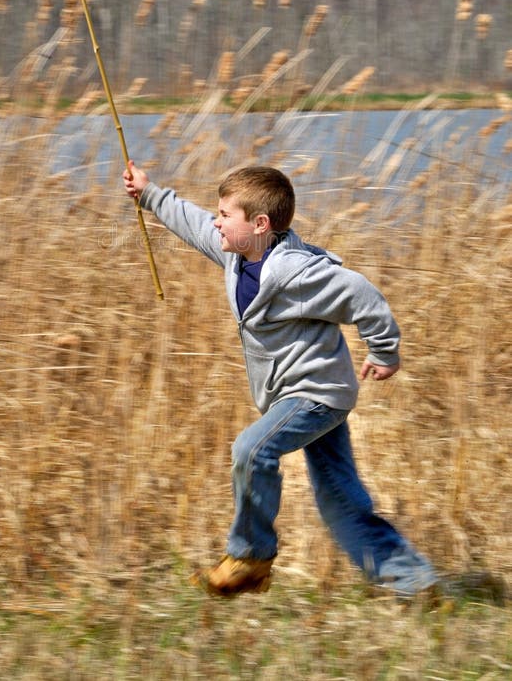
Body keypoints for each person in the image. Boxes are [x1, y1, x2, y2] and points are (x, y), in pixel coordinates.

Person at [122, 161, 437, 598]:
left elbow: (362, 294)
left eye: (226, 215)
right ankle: (415, 584)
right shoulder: (239, 257)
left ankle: (251, 558)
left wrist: (384, 352)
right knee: (340, 499)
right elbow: (195, 225)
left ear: (260, 223)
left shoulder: (298, 274)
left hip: (316, 395)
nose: (216, 221)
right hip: (295, 395)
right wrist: (150, 193)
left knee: (252, 450)